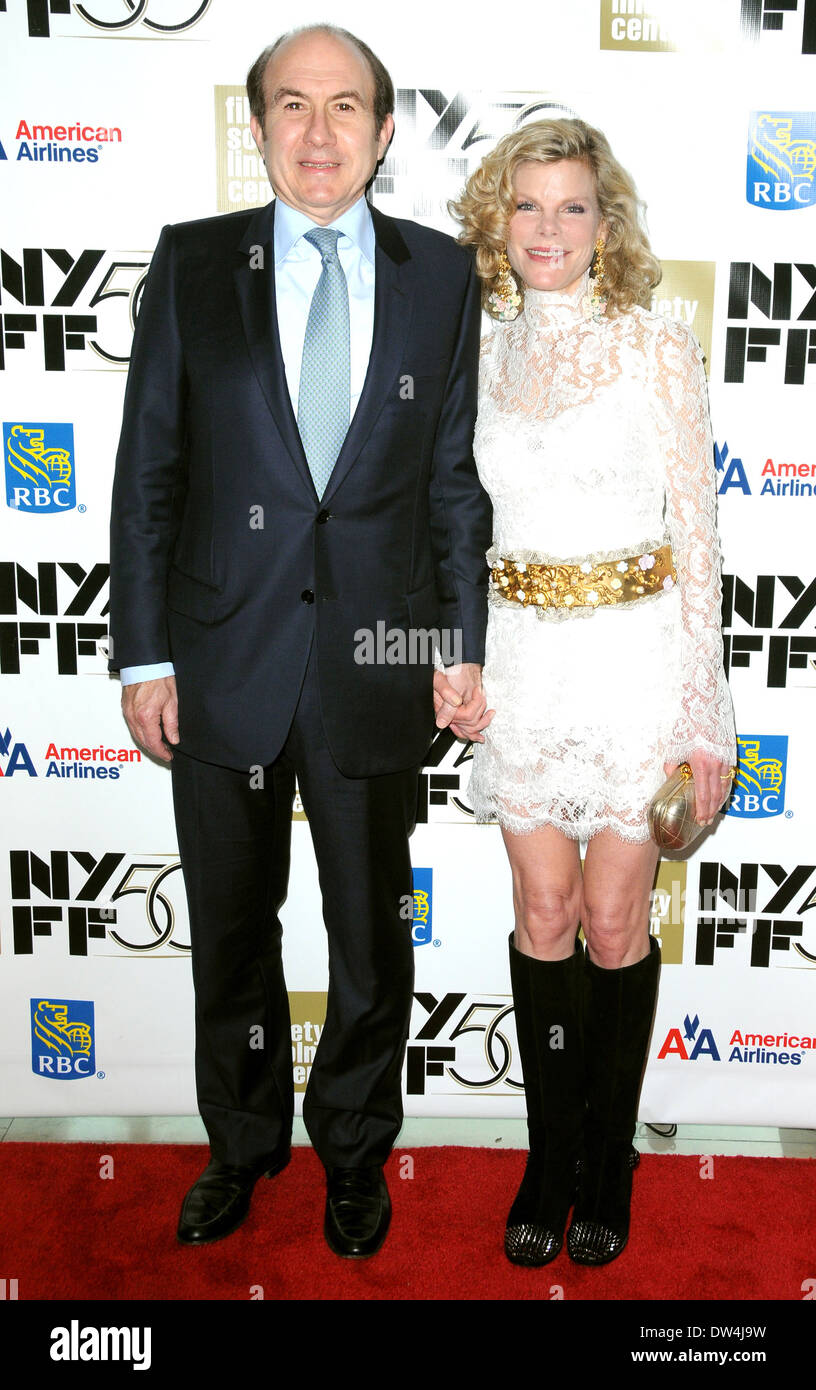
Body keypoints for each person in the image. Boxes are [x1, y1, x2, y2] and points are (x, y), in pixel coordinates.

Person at [109, 24, 492, 1258]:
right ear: (260, 124)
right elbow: (148, 468)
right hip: (222, 654)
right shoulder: (191, 262)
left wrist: (456, 645)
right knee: (229, 922)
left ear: (386, 134)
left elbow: (449, 486)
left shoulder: (443, 277)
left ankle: (353, 1149)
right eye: (292, 106)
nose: (318, 133)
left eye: (344, 108)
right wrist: (144, 652)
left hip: (378, 659)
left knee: (368, 933)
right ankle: (241, 1141)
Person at [448, 119, 736, 1266]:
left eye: (572, 207)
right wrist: (446, 654)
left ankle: (606, 1157)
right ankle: (548, 1153)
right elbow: (446, 527)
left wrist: (704, 713)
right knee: (543, 918)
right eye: (527, 206)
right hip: (519, 664)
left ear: (604, 223)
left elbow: (701, 536)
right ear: (496, 219)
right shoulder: (478, 347)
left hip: (632, 660)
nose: (548, 229)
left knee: (615, 923)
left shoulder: (657, 342)